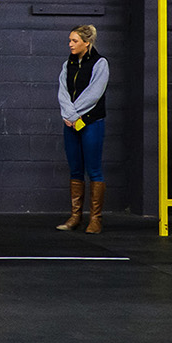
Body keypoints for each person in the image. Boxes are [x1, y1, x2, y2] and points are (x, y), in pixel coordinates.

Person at [57, 24, 110, 234]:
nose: (70, 44)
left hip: (91, 123)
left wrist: (74, 113)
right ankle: (75, 216)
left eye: (75, 41)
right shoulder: (67, 64)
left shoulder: (100, 63)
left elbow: (94, 93)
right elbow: (62, 91)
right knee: (75, 169)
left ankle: (95, 219)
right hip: (71, 124)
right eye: (70, 40)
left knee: (94, 169)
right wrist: (69, 114)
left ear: (86, 43)